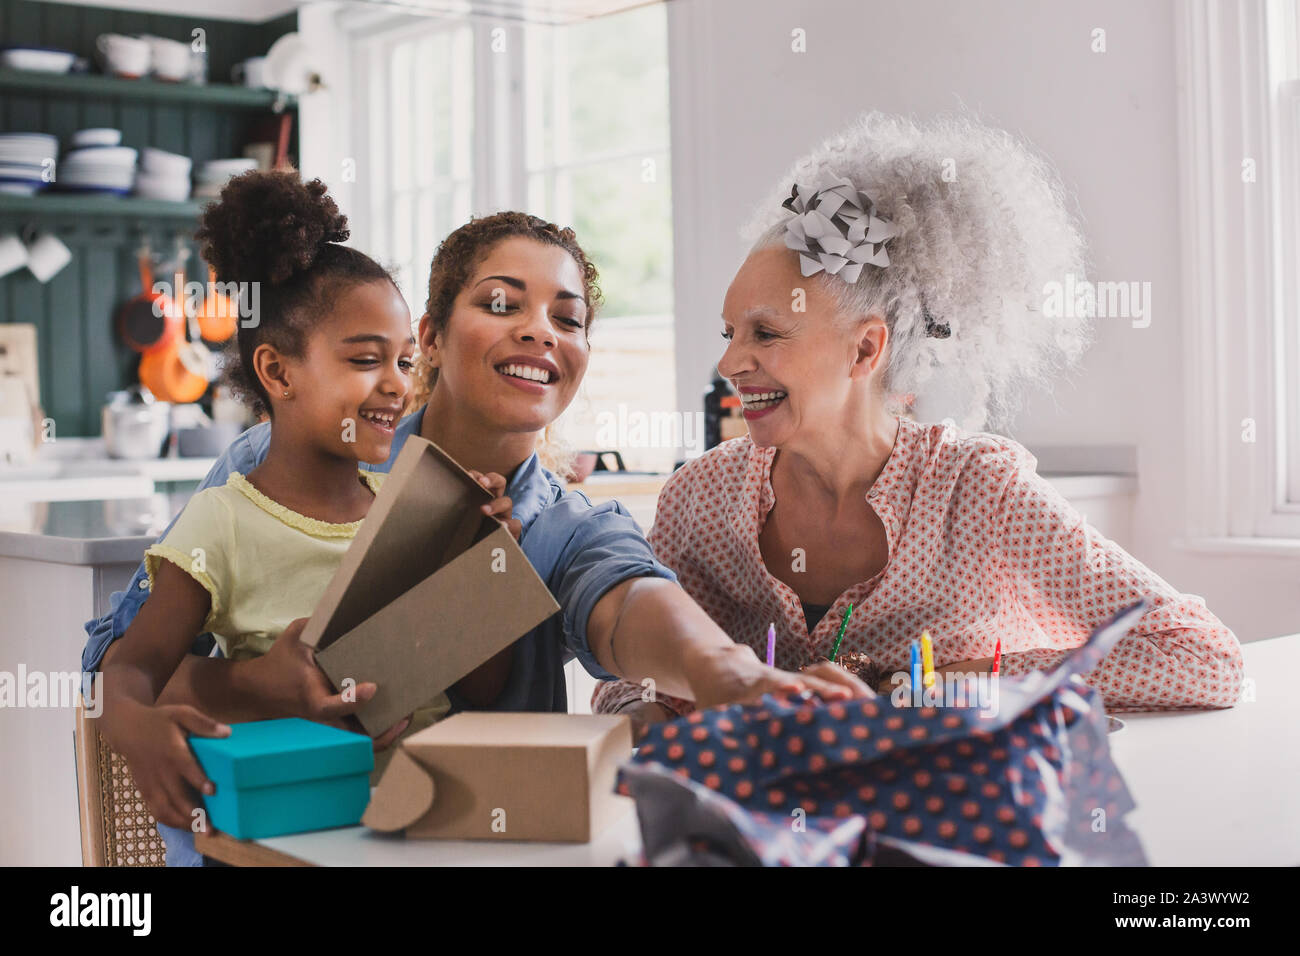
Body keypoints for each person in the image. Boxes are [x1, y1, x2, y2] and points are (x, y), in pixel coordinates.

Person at [84, 200, 871, 860]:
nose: (541, 332)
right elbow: (117, 665)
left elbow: (628, 599)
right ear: (428, 336)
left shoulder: (560, 522)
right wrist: (255, 685)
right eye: (501, 303)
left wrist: (727, 676)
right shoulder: (279, 461)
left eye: (569, 318)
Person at [594, 111, 1244, 723]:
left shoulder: (980, 490)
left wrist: (951, 683)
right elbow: (626, 685)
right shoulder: (701, 501)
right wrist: (696, 702)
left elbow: (1203, 659)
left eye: (765, 333)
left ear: (866, 348)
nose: (729, 362)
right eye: (729, 331)